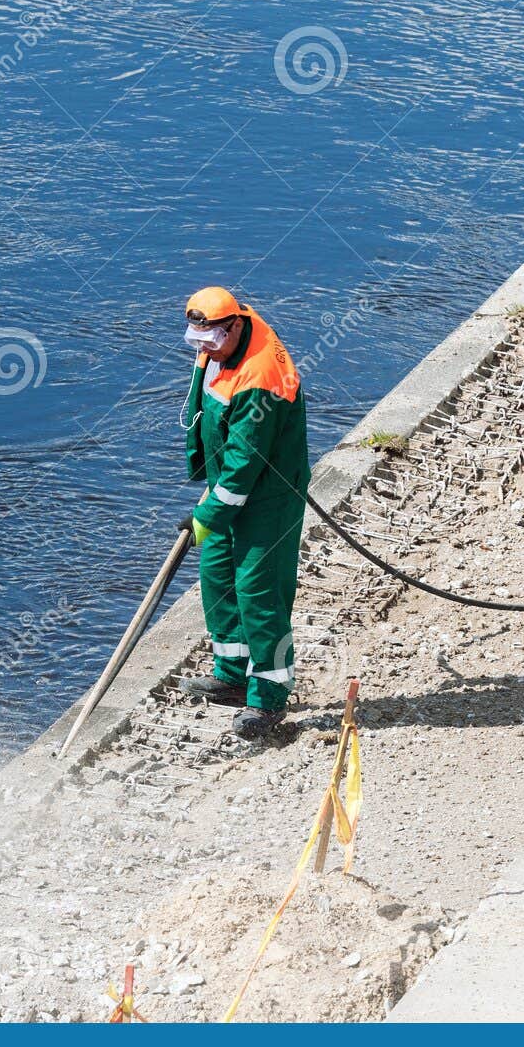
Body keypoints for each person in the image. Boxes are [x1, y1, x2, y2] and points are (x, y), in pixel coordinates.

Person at [177, 286, 309, 740]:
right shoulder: (222, 338)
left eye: (210, 339)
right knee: (216, 573)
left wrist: (209, 513)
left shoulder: (260, 377)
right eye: (197, 339)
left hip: (268, 495)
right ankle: (232, 673)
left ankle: (269, 698)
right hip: (228, 486)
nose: (204, 349)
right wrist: (210, 499)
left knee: (260, 589)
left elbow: (245, 461)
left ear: (234, 326)